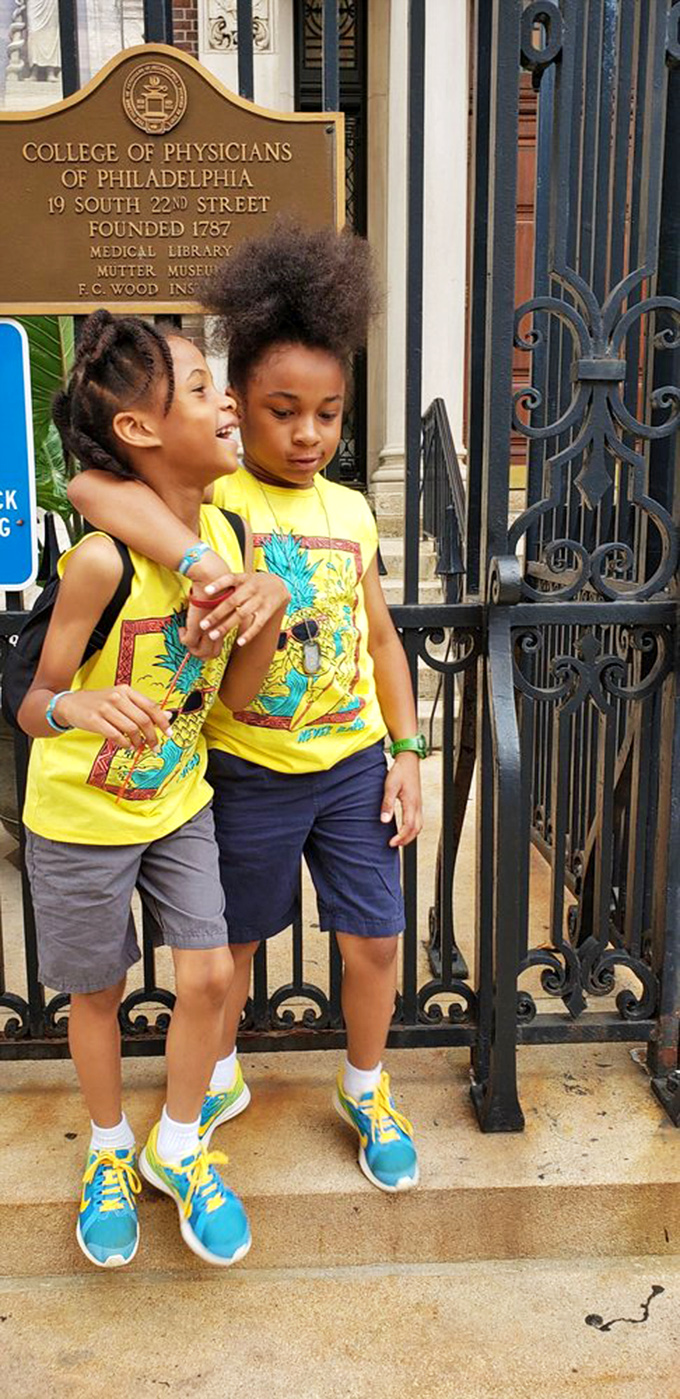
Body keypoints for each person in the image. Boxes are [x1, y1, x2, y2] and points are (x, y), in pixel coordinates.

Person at [69, 224, 426, 1194]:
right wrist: (197, 557)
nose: (307, 434)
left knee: (376, 938)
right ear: (237, 410)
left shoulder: (350, 512)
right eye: (282, 411)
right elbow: (91, 487)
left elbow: (382, 640)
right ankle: (210, 1083)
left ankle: (364, 1084)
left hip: (351, 764)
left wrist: (406, 748)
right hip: (247, 769)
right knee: (228, 947)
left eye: (328, 414)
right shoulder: (217, 499)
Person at [20, 310, 289, 1268]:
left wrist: (266, 614)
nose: (229, 398)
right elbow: (35, 700)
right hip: (80, 816)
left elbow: (240, 699)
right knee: (97, 993)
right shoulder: (101, 560)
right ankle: (106, 1149)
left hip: (179, 799)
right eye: (204, 385)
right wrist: (77, 712)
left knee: (211, 973)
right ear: (138, 429)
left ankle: (179, 1143)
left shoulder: (229, 526)